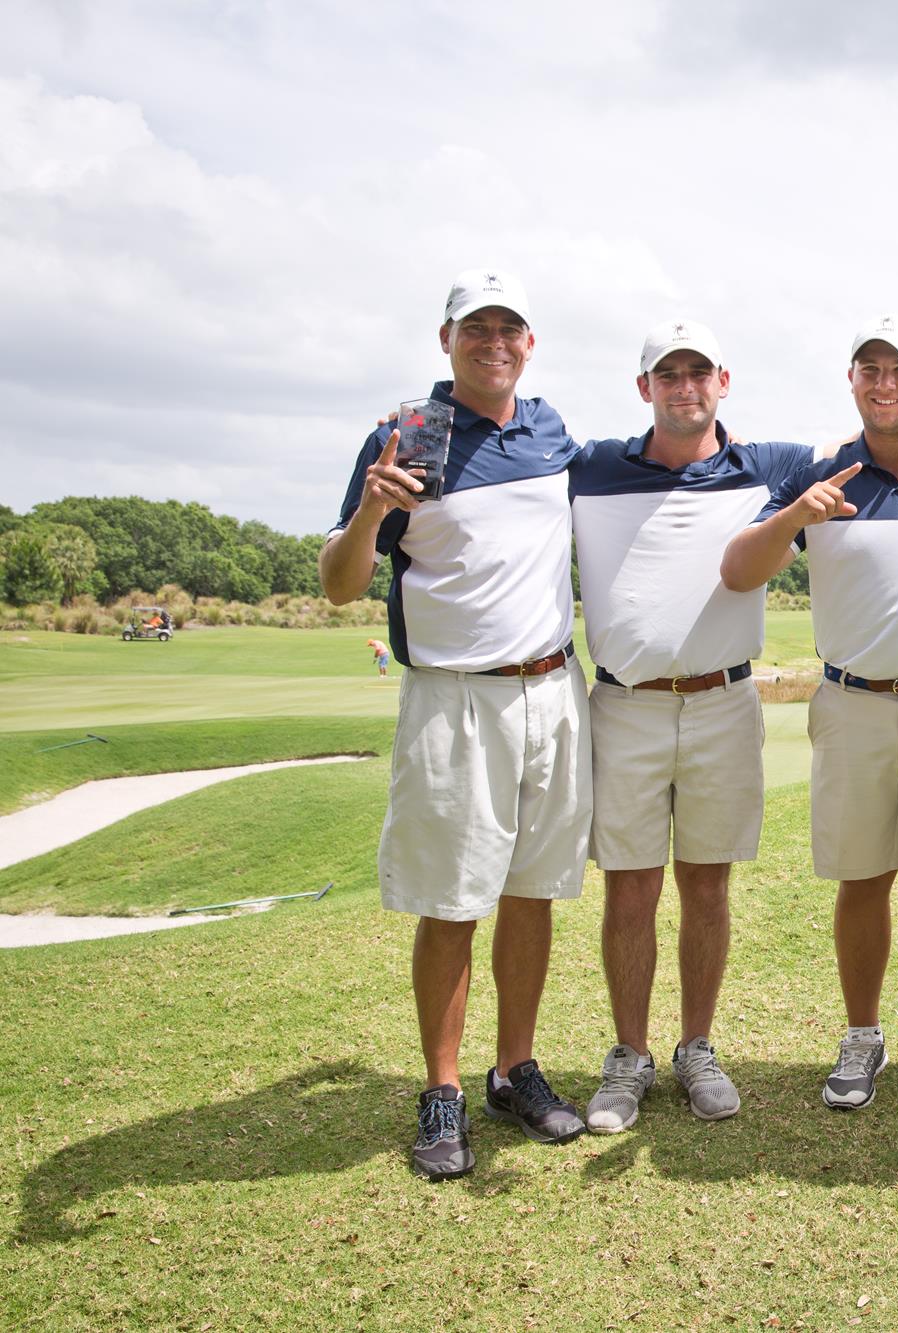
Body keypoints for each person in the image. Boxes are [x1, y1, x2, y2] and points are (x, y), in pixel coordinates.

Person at [320, 269, 590, 1181]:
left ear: (530, 342)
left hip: (552, 690)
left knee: (532, 890)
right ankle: (442, 1090)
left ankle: (514, 1069)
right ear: (447, 339)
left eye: (510, 327)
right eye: (476, 327)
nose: (494, 342)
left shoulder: (549, 430)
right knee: (451, 901)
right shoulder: (403, 436)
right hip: (453, 698)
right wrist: (371, 508)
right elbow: (340, 583)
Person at [720, 315, 898, 1116]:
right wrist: (795, 518)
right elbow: (739, 570)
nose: (884, 383)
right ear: (852, 380)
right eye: (868, 369)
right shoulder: (822, 474)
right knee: (862, 880)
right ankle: (862, 1034)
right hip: (851, 704)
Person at [570, 320, 817, 1132]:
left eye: (698, 372)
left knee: (707, 885)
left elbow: (874, 445)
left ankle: (697, 1047)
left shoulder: (768, 466)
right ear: (644, 387)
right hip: (626, 704)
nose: (685, 387)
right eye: (668, 375)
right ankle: (629, 1054)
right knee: (630, 887)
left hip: (723, 701)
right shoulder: (593, 468)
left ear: (723, 381)